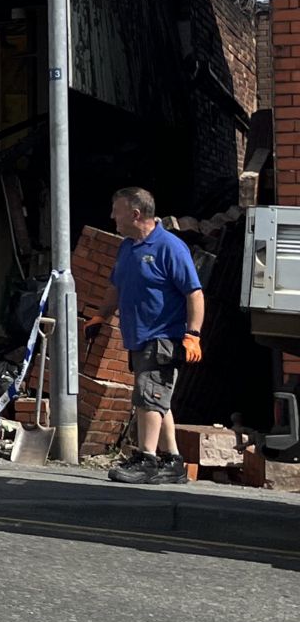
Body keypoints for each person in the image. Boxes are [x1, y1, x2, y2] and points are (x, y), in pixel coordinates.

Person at [84, 187, 205, 485]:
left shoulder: (170, 247)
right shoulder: (128, 247)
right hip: (138, 336)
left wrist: (193, 334)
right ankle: (173, 461)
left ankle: (147, 458)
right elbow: (116, 286)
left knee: (148, 397)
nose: (112, 215)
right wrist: (101, 315)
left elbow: (195, 293)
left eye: (117, 209)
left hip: (162, 337)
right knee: (158, 398)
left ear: (136, 213)